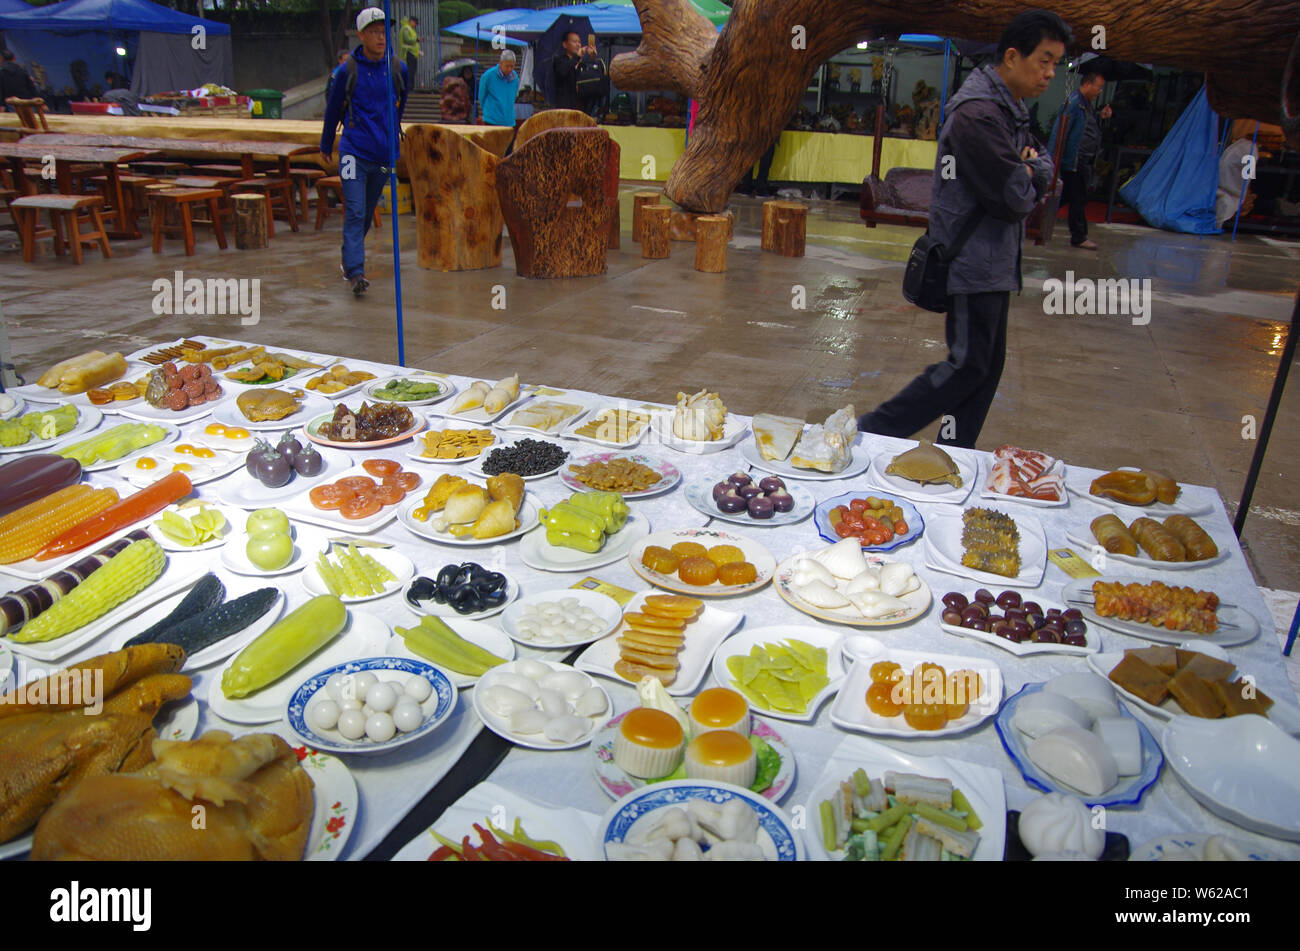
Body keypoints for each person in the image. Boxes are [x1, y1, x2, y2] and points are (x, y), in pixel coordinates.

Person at [857, 9, 1068, 450]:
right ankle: (872, 433)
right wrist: (1031, 172)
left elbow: (1042, 171)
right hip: (972, 258)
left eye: (1056, 63)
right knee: (969, 364)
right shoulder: (978, 116)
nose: (1051, 73)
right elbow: (1015, 196)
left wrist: (1034, 169)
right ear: (1012, 56)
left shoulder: (1012, 112)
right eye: (1044, 60)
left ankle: (956, 453)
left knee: (986, 366)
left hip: (994, 260)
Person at [320, 7, 408, 297]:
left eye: (384, 32)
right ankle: (356, 272)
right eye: (373, 32)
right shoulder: (347, 71)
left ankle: (348, 257)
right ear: (361, 36)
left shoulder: (396, 68)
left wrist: (391, 135)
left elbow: (400, 104)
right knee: (355, 211)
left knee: (367, 213)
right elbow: (333, 109)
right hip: (353, 153)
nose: (380, 38)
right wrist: (325, 144)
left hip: (383, 155)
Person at [1047, 63, 1111, 249]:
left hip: (1082, 161)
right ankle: (1079, 236)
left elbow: (1087, 127)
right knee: (1077, 199)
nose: (1099, 91)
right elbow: (1060, 132)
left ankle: (1036, 219)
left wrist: (1101, 117)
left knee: (1067, 197)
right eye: (1098, 87)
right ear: (1088, 84)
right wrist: (1053, 160)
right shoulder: (1075, 103)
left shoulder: (1086, 106)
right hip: (1074, 161)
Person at [1216, 122, 1259, 229]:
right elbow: (1247, 176)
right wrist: (1246, 193)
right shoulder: (1250, 149)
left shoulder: (1238, 147)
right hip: (1230, 193)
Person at [478, 49, 520, 127]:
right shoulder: (488, 76)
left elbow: (513, 96)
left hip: (509, 121)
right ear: (500, 63)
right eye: (507, 66)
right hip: (491, 120)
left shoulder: (515, 78)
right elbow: (481, 96)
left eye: (512, 66)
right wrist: (489, 112)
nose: (510, 69)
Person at [552, 31, 590, 110]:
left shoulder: (581, 63)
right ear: (565, 44)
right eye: (574, 41)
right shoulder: (559, 60)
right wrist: (577, 57)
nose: (578, 45)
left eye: (579, 42)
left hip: (579, 107)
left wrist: (592, 57)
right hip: (564, 107)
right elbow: (562, 72)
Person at [400, 16, 421, 90]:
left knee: (412, 70)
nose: (415, 25)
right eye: (415, 23)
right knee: (410, 70)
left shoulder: (410, 29)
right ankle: (409, 87)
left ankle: (411, 86)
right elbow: (407, 39)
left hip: (412, 52)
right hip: (408, 52)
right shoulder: (406, 28)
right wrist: (417, 39)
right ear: (411, 21)